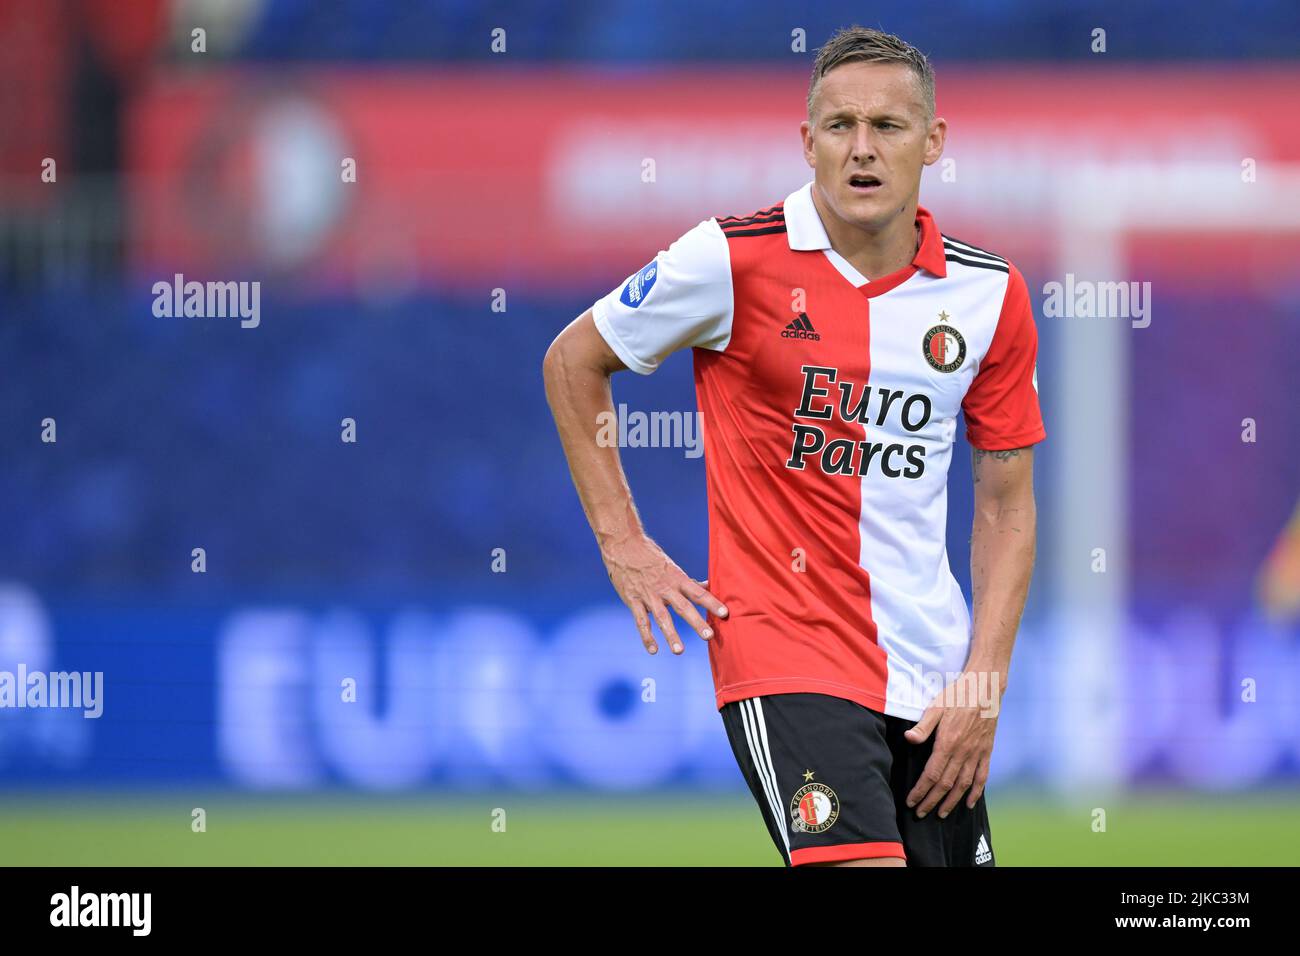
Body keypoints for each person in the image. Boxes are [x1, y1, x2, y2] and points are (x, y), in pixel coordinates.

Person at [542, 25, 1044, 867]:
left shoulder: (988, 294)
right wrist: (622, 542)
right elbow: (573, 361)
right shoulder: (729, 259)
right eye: (840, 126)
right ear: (807, 143)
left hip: (930, 671)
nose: (862, 149)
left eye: (887, 127)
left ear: (934, 143)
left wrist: (984, 680)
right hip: (787, 654)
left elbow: (1006, 500)